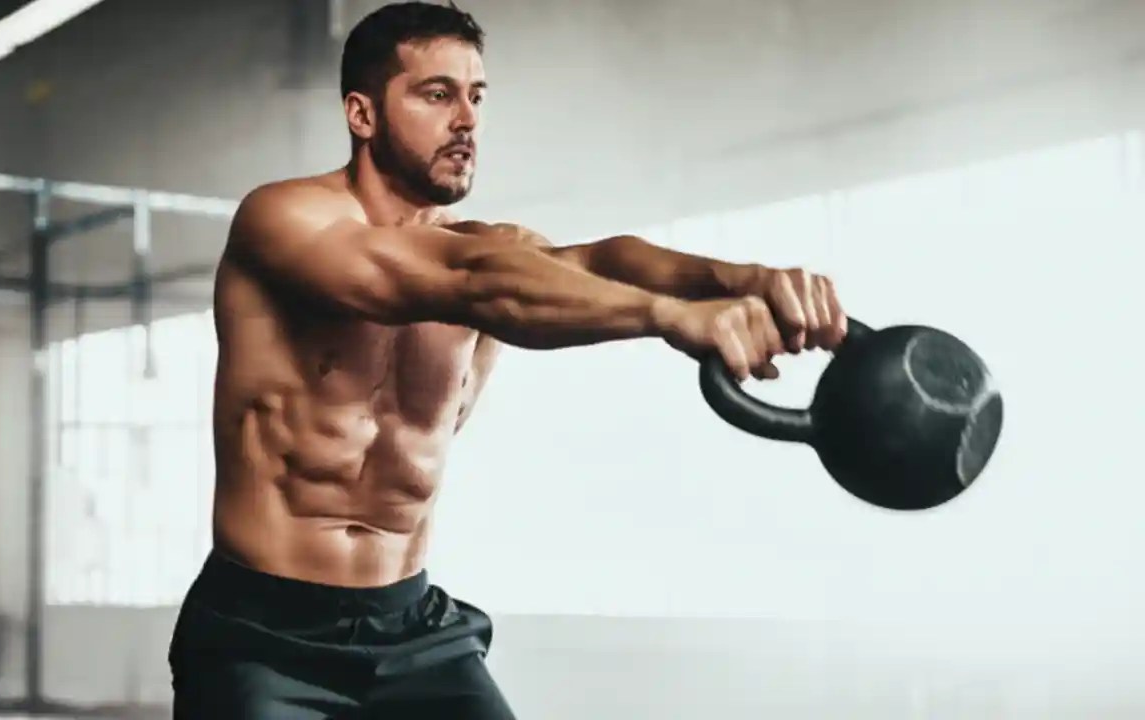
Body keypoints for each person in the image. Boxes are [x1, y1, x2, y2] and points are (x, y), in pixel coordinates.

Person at [168, 2, 848, 718]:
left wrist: (742, 279)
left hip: (413, 629)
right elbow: (469, 283)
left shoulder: (495, 248)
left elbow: (602, 259)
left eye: (477, 96)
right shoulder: (284, 219)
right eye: (437, 94)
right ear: (362, 115)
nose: (466, 119)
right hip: (266, 634)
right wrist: (672, 317)